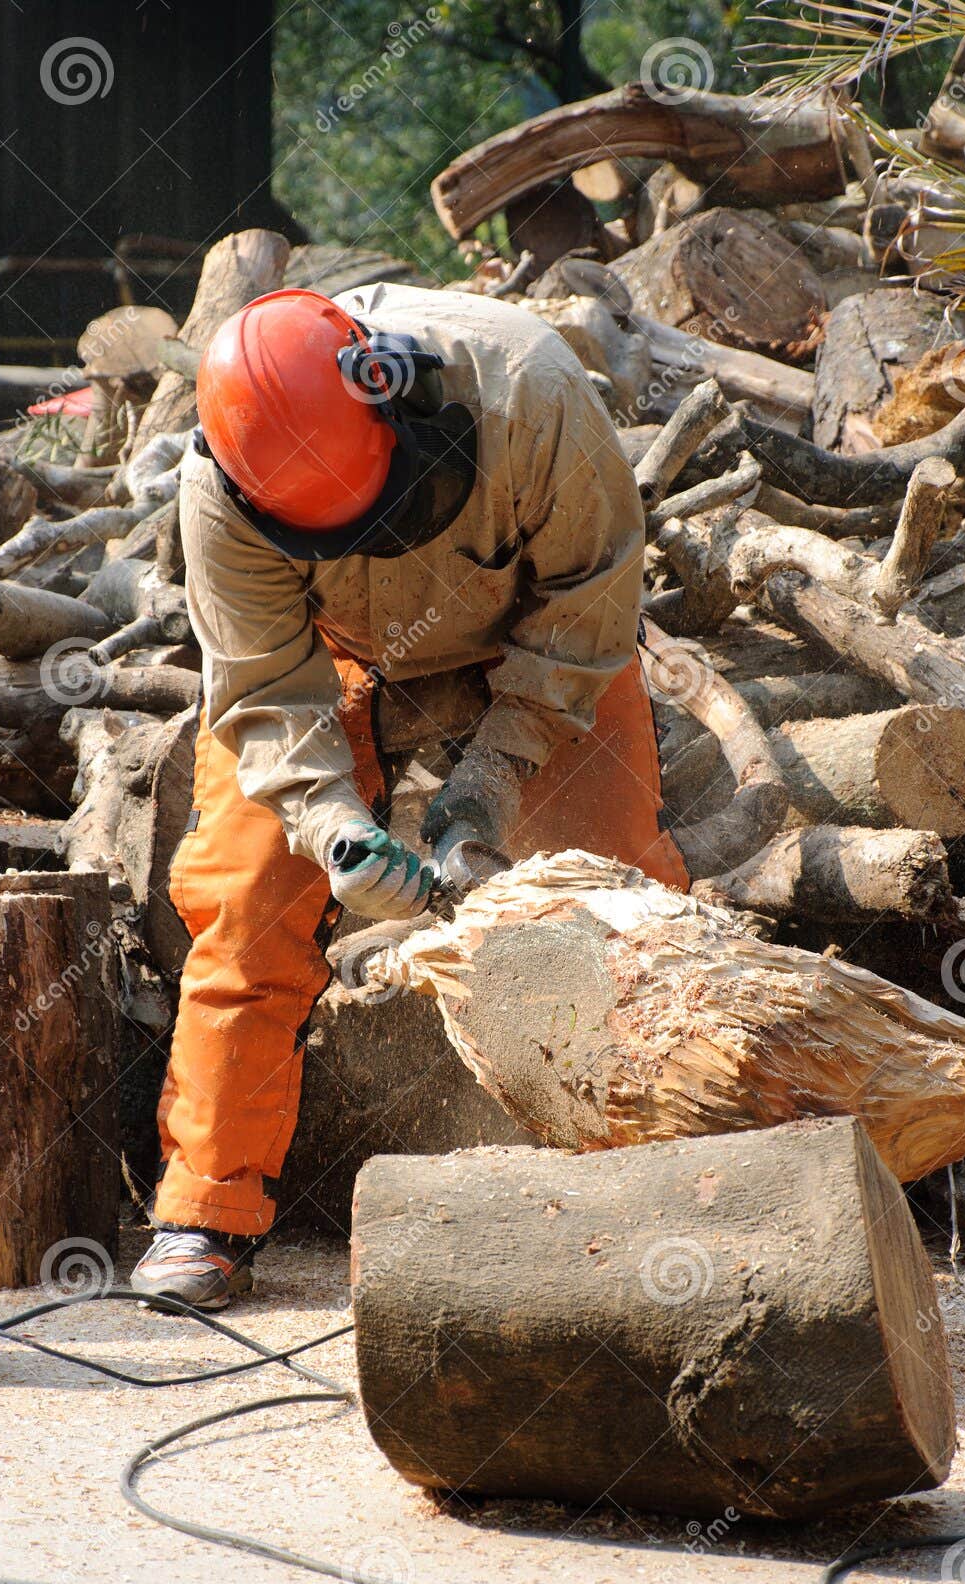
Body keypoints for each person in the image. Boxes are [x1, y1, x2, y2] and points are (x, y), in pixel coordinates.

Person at [130, 283, 689, 1309]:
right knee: (245, 894)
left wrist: (488, 784)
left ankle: (662, 1183)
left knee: (622, 890)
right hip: (334, 660)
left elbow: (590, 609)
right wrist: (335, 827)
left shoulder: (533, 394)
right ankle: (207, 1208)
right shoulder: (219, 487)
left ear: (396, 396)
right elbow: (262, 685)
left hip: (538, 643)